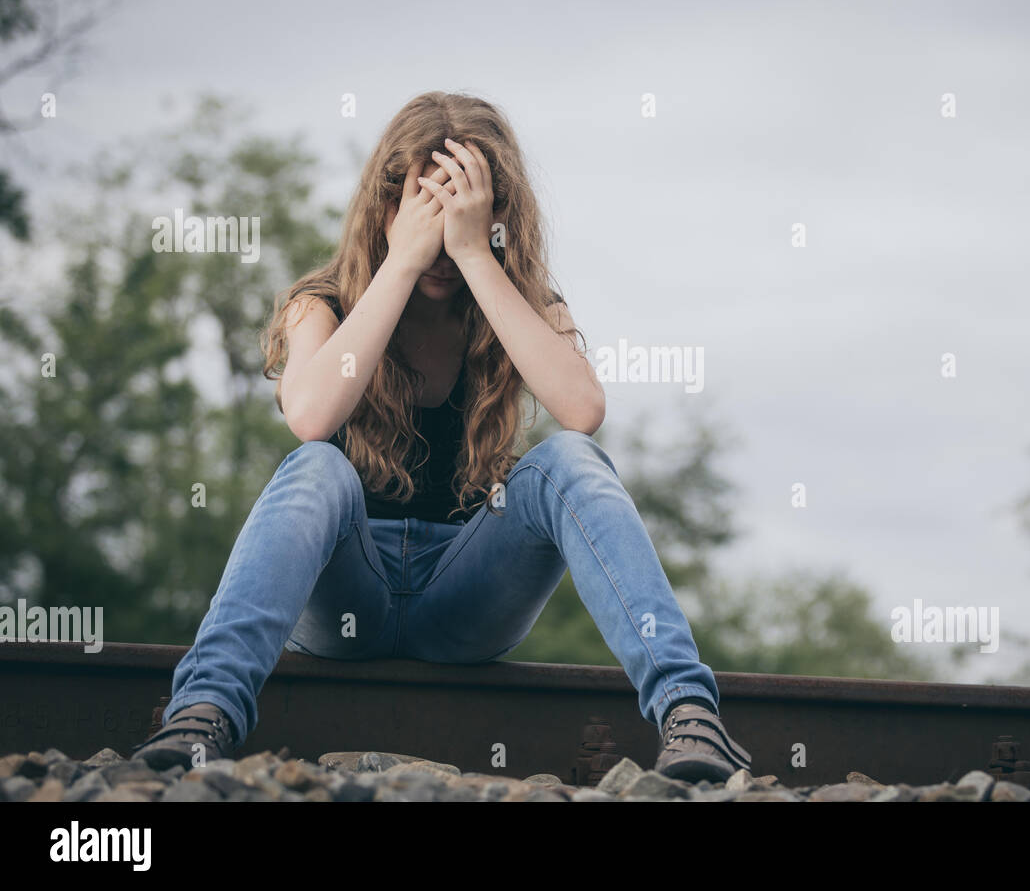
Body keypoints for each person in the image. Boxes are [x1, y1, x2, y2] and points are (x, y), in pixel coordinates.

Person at [131, 91, 750, 785]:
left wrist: (475, 255)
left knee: (568, 461)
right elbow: (310, 416)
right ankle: (202, 713)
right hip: (347, 600)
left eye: (460, 210)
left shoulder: (519, 304)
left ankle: (690, 713)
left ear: (494, 217)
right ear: (383, 207)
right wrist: (399, 263)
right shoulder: (325, 303)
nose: (438, 239)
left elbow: (582, 411)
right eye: (420, 205)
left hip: (467, 600)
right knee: (317, 467)